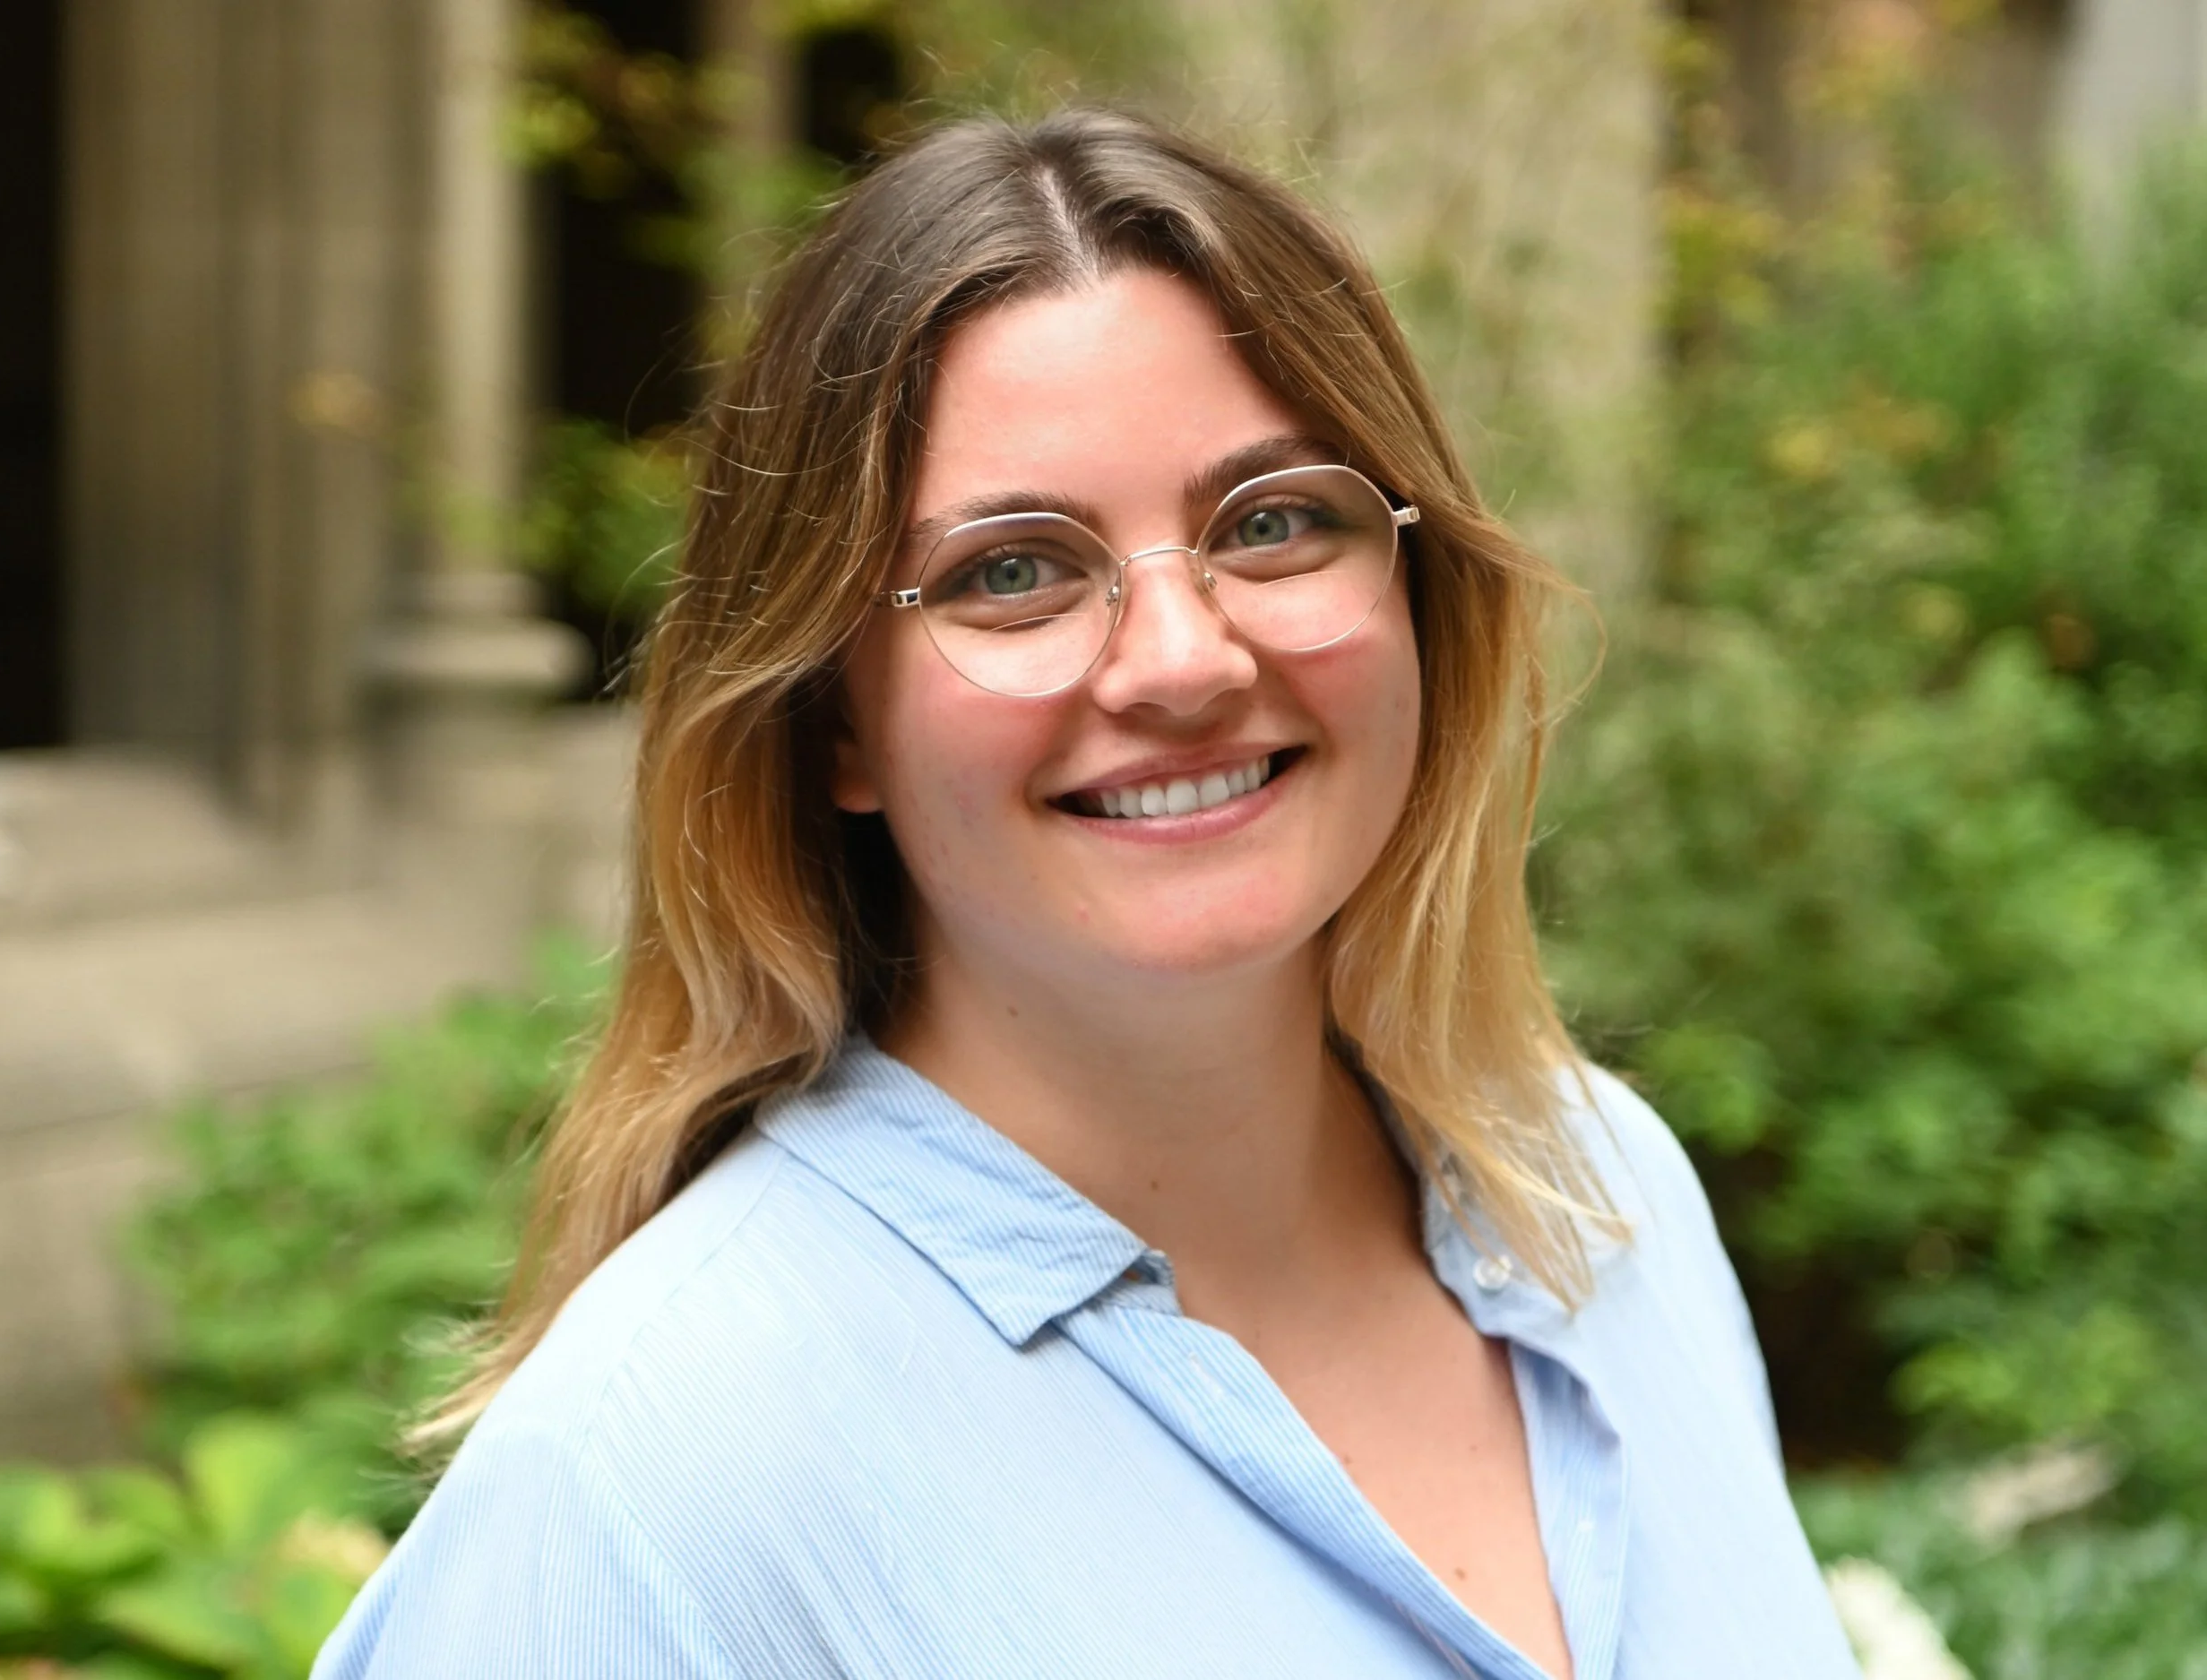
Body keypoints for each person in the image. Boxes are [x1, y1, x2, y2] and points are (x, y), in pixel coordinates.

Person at [315, 110, 1861, 1680]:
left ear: (1412, 589)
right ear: (835, 717)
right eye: (1013, 570)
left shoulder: (1602, 1198)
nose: (1185, 659)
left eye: (1271, 523)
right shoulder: (661, 1480)